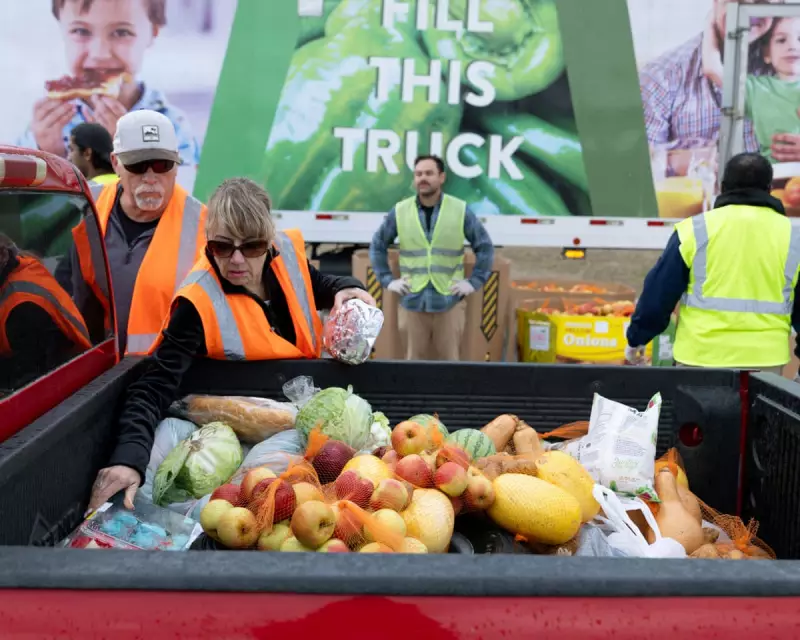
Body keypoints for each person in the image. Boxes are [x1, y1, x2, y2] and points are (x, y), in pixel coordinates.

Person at [87, 177, 374, 511]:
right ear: (209, 242)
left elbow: (318, 283)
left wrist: (346, 287)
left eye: (250, 247)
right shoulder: (196, 303)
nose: (237, 260)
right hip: (241, 434)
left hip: (294, 417)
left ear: (268, 241)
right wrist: (129, 459)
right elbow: (153, 386)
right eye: (222, 247)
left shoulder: (286, 256)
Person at [625, 152, 800, 372]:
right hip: (766, 363)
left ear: (723, 186)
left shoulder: (694, 230)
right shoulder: (793, 237)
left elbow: (658, 293)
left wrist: (637, 338)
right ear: (768, 189)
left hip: (699, 358)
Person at [56, 109, 207, 355]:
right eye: (137, 165)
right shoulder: (88, 211)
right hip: (102, 376)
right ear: (116, 163)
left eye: (162, 165)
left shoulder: (205, 227)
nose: (150, 177)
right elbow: (79, 301)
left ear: (177, 165)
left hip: (168, 379)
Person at [17, 0, 200, 167]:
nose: (100, 53)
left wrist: (132, 154)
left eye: (121, 32)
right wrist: (50, 154)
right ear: (62, 30)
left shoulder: (171, 127)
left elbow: (184, 196)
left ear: (152, 33)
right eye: (81, 31)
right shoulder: (45, 127)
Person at [640, 0, 800, 163]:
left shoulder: (790, 61)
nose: (748, 12)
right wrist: (702, 161)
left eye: (762, 2)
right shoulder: (660, 78)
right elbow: (639, 166)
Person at [369, 155, 494, 361]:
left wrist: (473, 283)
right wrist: (388, 281)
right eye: (418, 174)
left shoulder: (459, 209)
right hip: (412, 303)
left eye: (428, 173)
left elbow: (485, 247)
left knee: (449, 369)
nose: (422, 178)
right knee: (413, 370)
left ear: (441, 177)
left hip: (448, 303)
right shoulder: (401, 211)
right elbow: (377, 246)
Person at [703, 16, 800, 164]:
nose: (793, 46)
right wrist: (710, 22)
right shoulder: (755, 88)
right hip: (774, 178)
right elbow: (712, 69)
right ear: (767, 54)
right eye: (781, 40)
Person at [0, 235, 91, 391]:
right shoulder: (22, 266)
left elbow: (31, 387)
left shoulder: (24, 306)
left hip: (69, 389)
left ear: (2, 256)